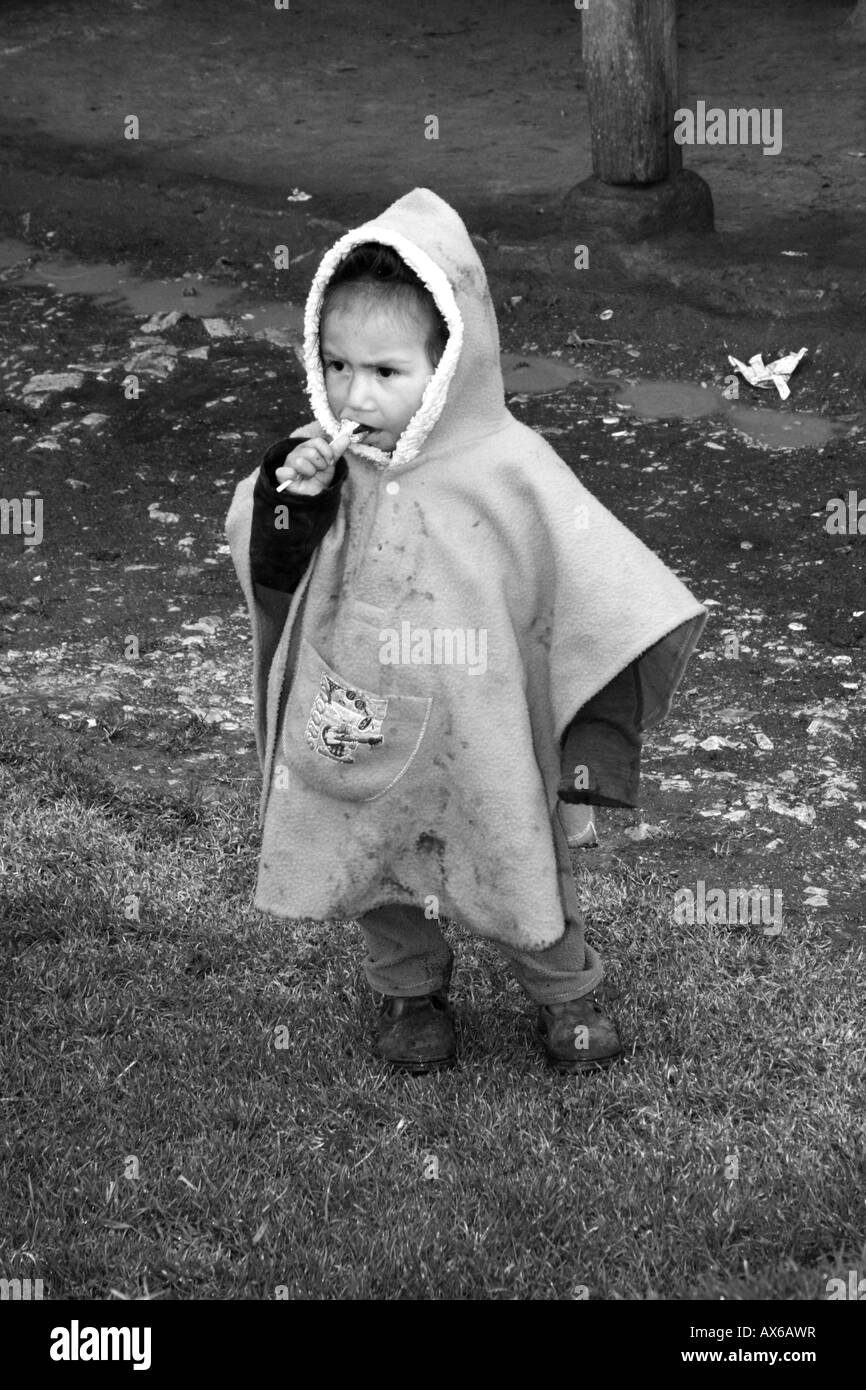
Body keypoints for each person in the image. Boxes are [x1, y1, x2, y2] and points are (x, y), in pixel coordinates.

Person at [226, 187, 706, 1074]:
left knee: (514, 849)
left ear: (447, 365)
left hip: (479, 728)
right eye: (335, 365)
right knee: (369, 854)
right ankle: (411, 995)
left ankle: (568, 992)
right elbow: (271, 575)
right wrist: (291, 503)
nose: (352, 393)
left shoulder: (508, 468)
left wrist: (593, 718)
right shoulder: (319, 464)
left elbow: (595, 579)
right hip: (358, 710)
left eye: (384, 371)